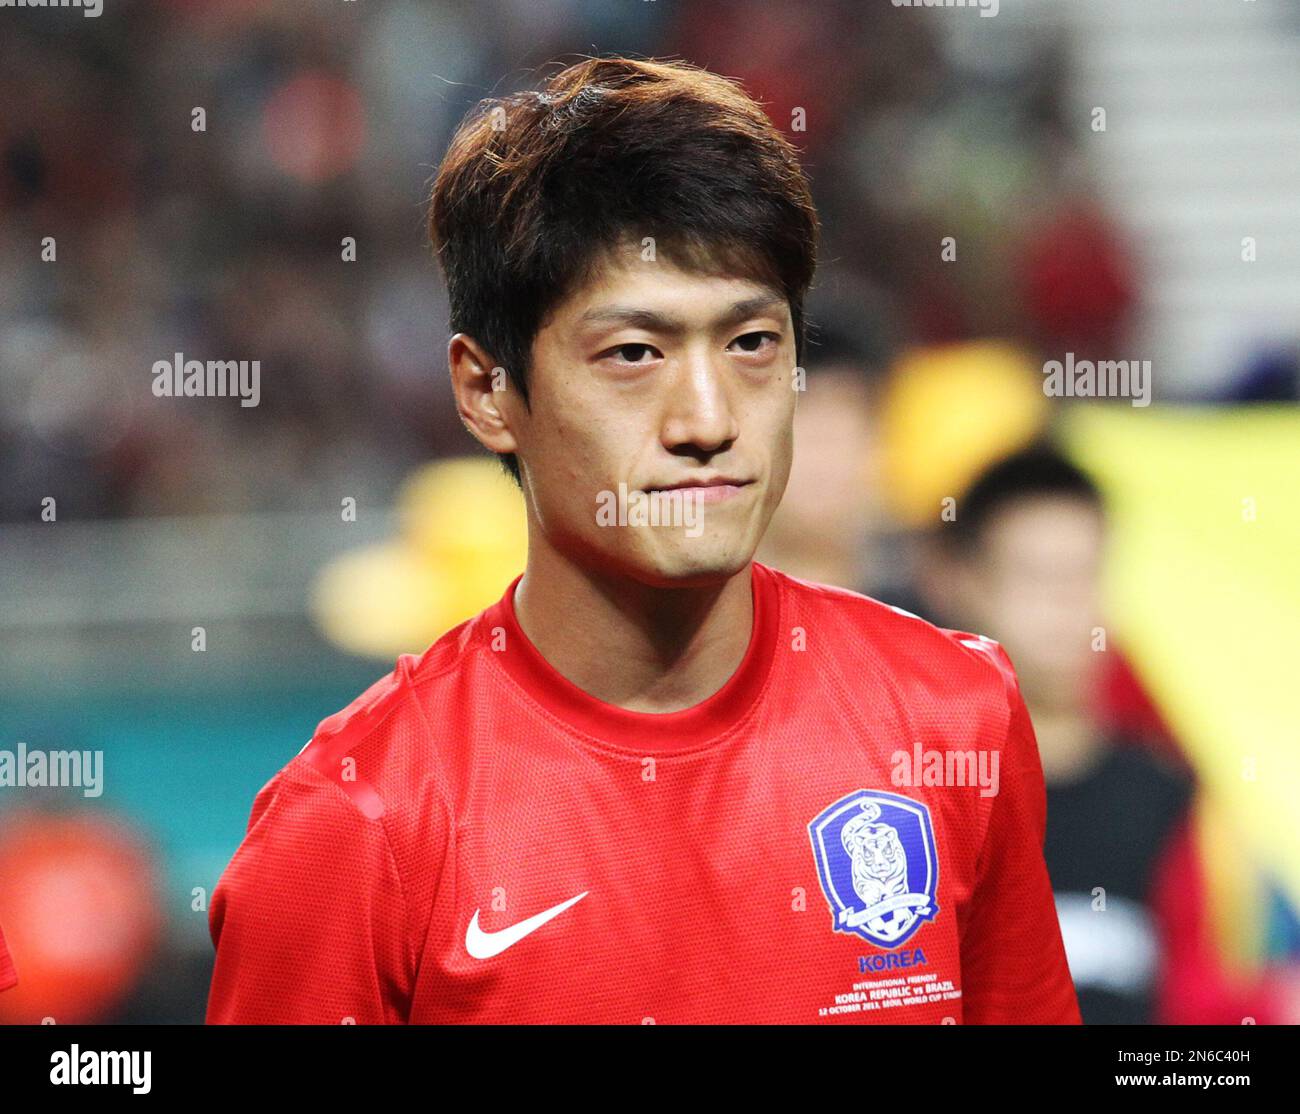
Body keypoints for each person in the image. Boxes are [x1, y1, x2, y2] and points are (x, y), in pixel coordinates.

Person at [205, 56, 1080, 1025]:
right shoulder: (358, 821)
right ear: (486, 393)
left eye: (752, 343)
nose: (707, 419)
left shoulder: (955, 717)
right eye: (633, 354)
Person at [917, 444, 1193, 1023]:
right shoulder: (921, 799)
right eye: (1038, 577)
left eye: (1086, 573)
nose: (1070, 608)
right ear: (960, 583)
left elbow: (1208, 995)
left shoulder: (1171, 798)